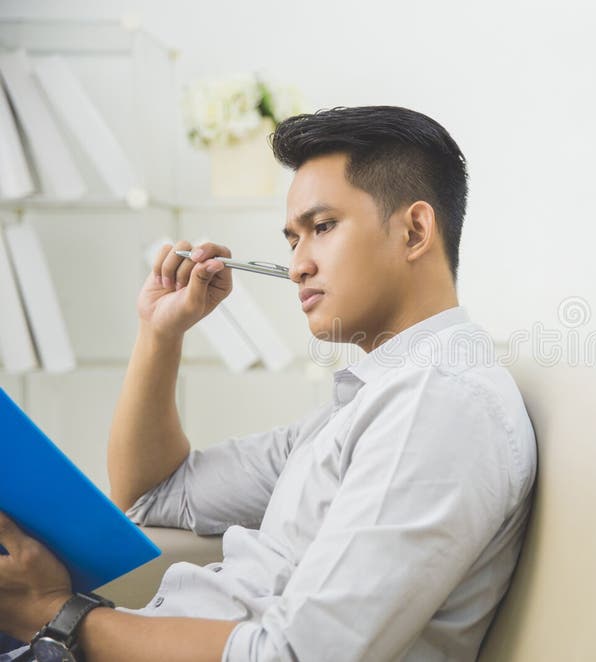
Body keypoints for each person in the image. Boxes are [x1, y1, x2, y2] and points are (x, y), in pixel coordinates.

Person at [0, 106, 537, 662]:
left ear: (415, 230)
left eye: (322, 227)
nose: (299, 265)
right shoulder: (370, 399)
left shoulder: (437, 405)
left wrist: (52, 614)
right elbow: (153, 494)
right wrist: (161, 335)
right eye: (291, 240)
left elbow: (296, 656)